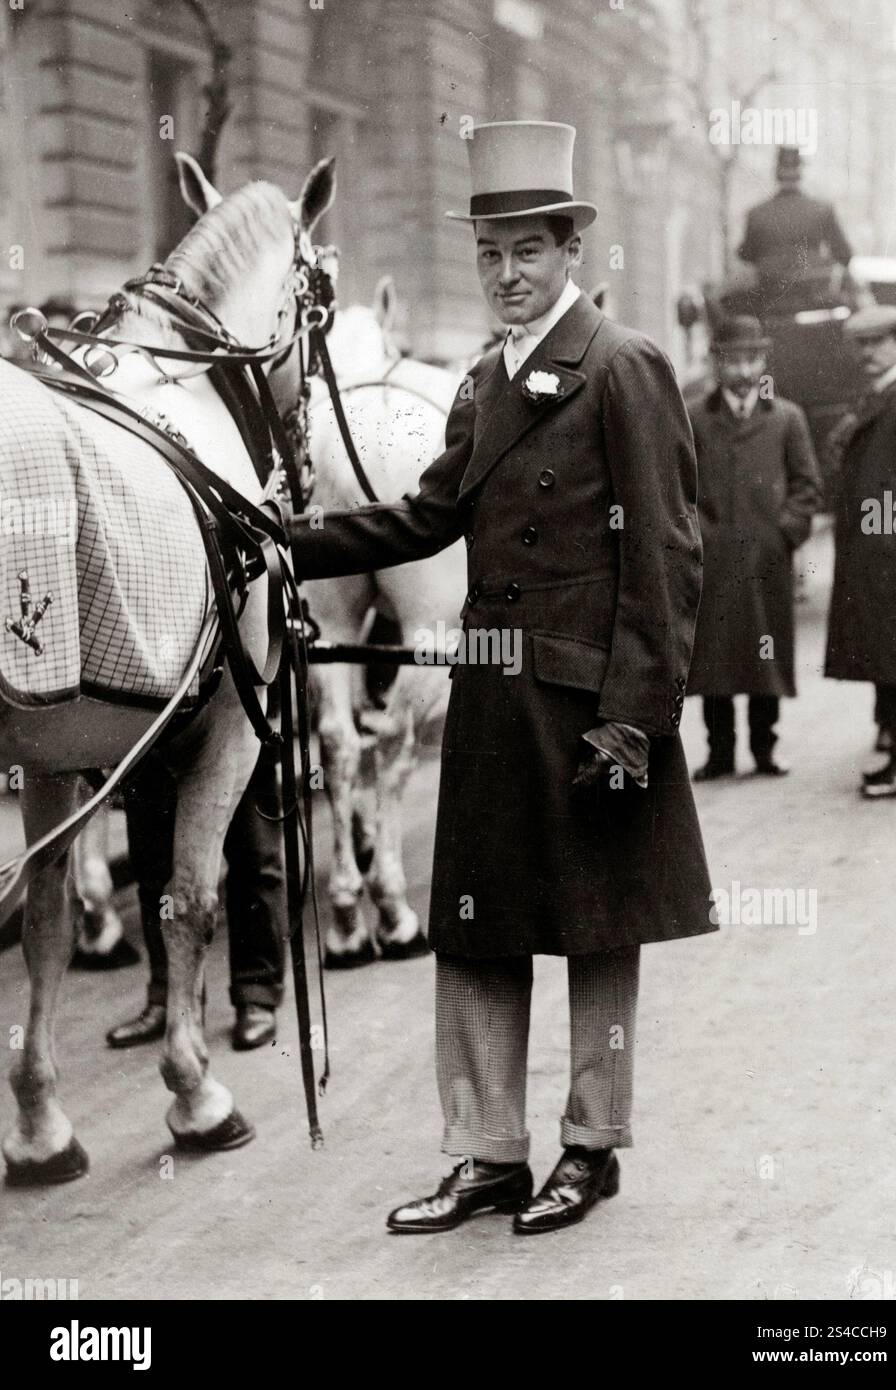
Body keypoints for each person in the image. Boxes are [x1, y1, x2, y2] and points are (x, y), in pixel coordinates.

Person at [287, 120, 715, 1235]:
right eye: (488, 254)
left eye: (526, 251)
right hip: (490, 700)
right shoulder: (484, 378)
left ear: (570, 250)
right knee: (476, 927)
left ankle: (590, 1144)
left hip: (586, 708)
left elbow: (666, 559)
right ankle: (486, 1152)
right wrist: (286, 543)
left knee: (594, 926)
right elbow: (428, 516)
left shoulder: (624, 368)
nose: (506, 275)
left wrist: (634, 723)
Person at [687, 315, 821, 779]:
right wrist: (699, 536)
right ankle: (719, 753)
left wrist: (785, 531)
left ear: (763, 362)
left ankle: (765, 748)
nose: (743, 371)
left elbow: (807, 486)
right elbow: (678, 488)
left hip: (767, 559)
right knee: (715, 661)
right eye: (733, 360)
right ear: (715, 363)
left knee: (766, 655)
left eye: (751, 360)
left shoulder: (786, 417)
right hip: (714, 561)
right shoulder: (695, 419)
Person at [106, 739, 285, 1050]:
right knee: (154, 865)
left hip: (241, 708)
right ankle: (169, 994)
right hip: (155, 713)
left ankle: (256, 992)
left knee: (253, 854)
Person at [825, 304, 896, 799]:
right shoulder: (887, 397)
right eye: (862, 345)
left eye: (878, 343)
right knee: (892, 665)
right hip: (886, 563)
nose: (868, 353)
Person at [738, 146, 853, 304]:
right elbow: (845, 255)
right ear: (800, 171)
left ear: (777, 172)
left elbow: (745, 254)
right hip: (814, 300)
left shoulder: (757, 214)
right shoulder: (822, 210)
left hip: (771, 302)